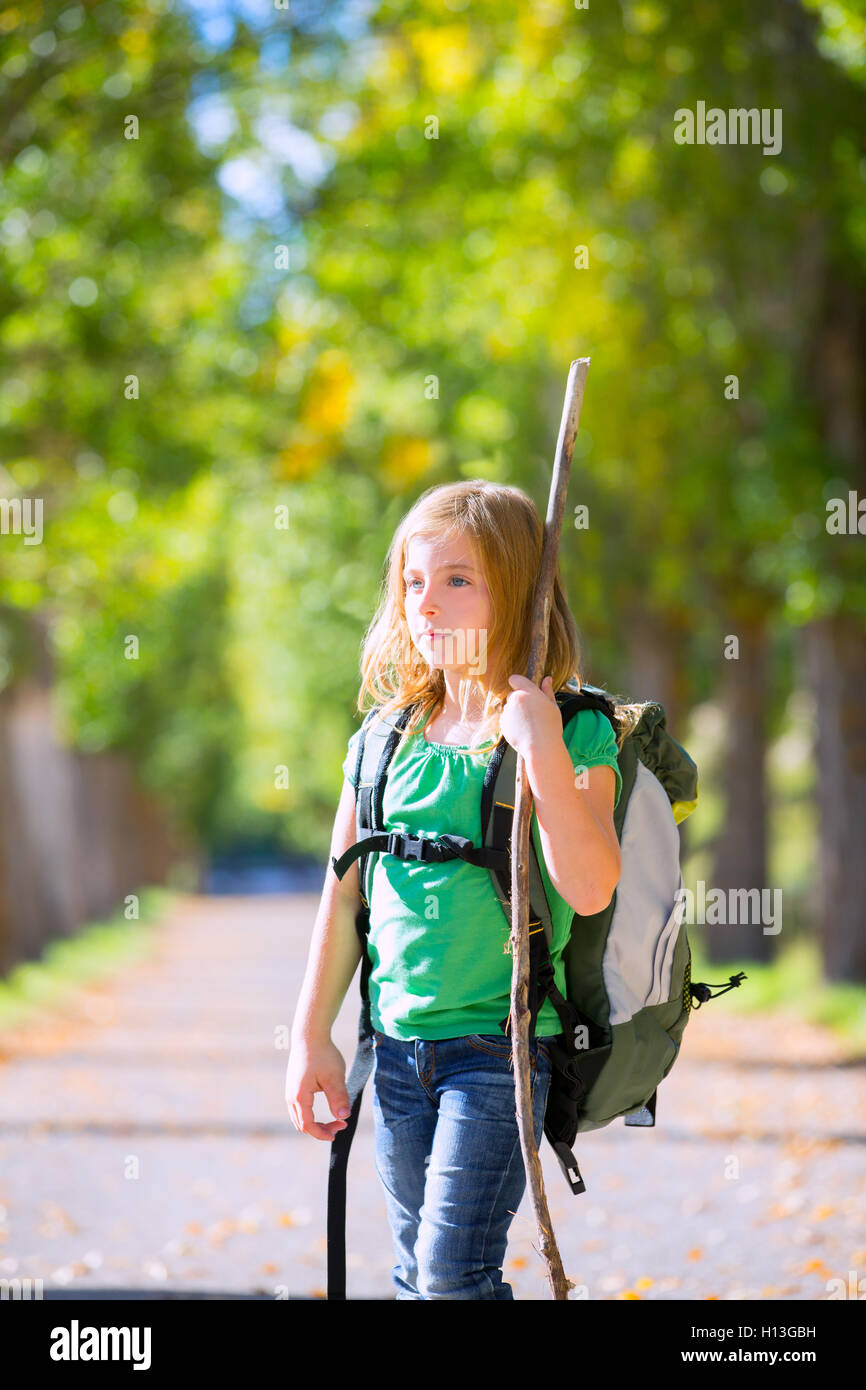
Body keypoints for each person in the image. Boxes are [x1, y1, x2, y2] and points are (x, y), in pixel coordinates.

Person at [286, 479, 623, 1300]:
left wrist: (542, 747)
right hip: (395, 1049)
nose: (425, 603)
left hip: (500, 1050)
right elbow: (344, 897)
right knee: (416, 1272)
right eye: (412, 581)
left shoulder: (573, 727)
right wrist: (310, 1036)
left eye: (457, 579)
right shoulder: (383, 739)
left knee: (450, 1275)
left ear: (520, 592)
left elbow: (588, 886)